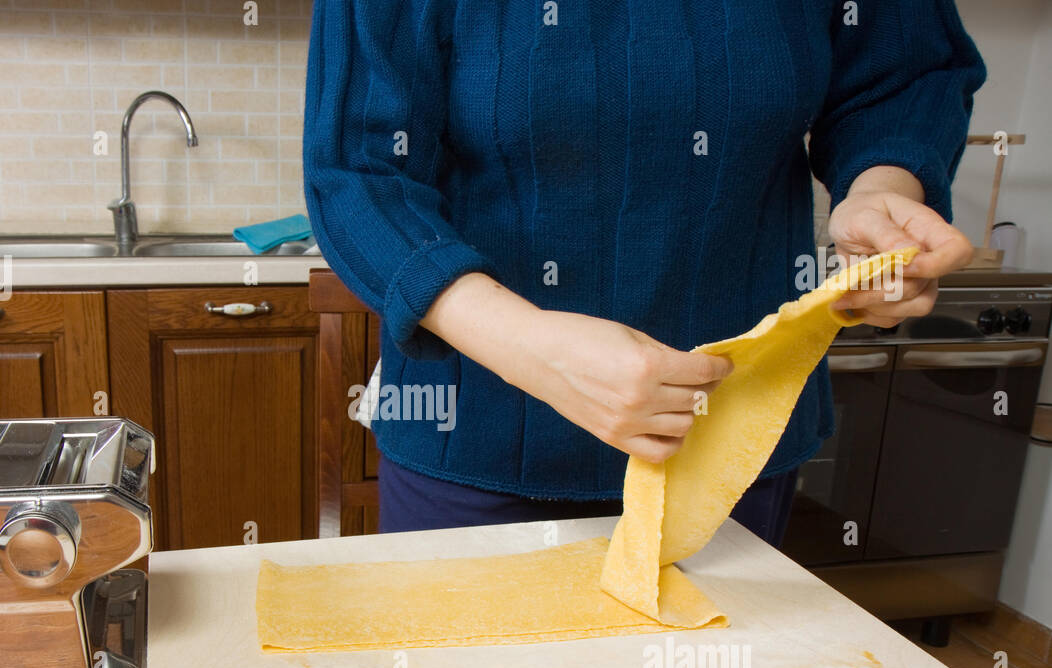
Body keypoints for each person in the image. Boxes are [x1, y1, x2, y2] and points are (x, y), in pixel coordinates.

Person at [303, 1, 984, 542]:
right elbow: (357, 172)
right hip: (471, 446)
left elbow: (903, 76)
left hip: (733, 449)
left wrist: (879, 189)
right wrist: (529, 348)